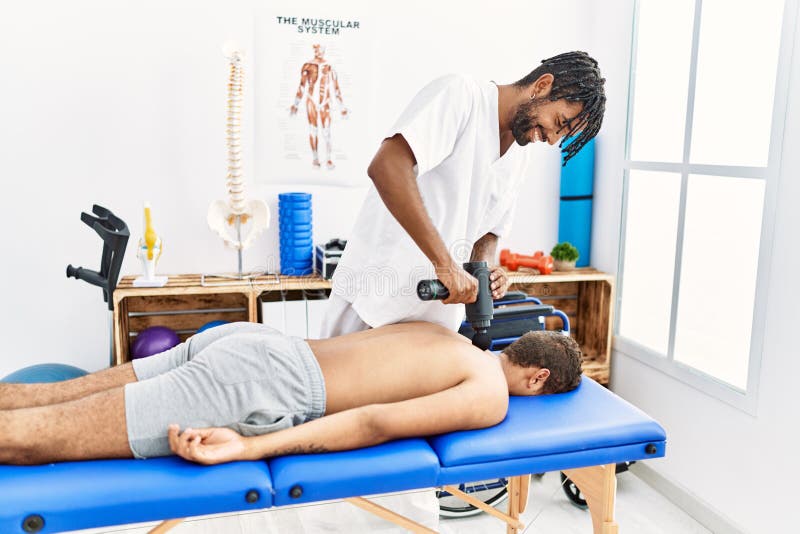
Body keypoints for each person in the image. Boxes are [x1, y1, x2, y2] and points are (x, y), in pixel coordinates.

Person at [0, 321, 581, 465]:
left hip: (252, 342)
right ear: (536, 379)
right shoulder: (491, 393)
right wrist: (249, 446)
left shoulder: (445, 334)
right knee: (34, 441)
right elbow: (374, 423)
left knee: (42, 398)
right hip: (261, 383)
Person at [321, 51, 606, 338]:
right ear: (542, 85)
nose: (553, 139)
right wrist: (444, 265)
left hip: (435, 324)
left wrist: (489, 272)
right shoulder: (461, 97)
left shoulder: (519, 157)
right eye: (558, 122)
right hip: (374, 304)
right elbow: (387, 166)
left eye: (563, 136)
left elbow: (488, 233)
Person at [289, 43, 349, 170]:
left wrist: (342, 107)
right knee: (313, 130)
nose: (318, 51)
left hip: (325, 102)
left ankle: (328, 159)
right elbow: (302, 86)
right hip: (311, 101)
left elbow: (336, 87)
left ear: (324, 50)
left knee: (326, 132)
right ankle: (315, 159)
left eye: (320, 49)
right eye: (316, 49)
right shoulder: (308, 66)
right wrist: (295, 104)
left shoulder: (330, 67)